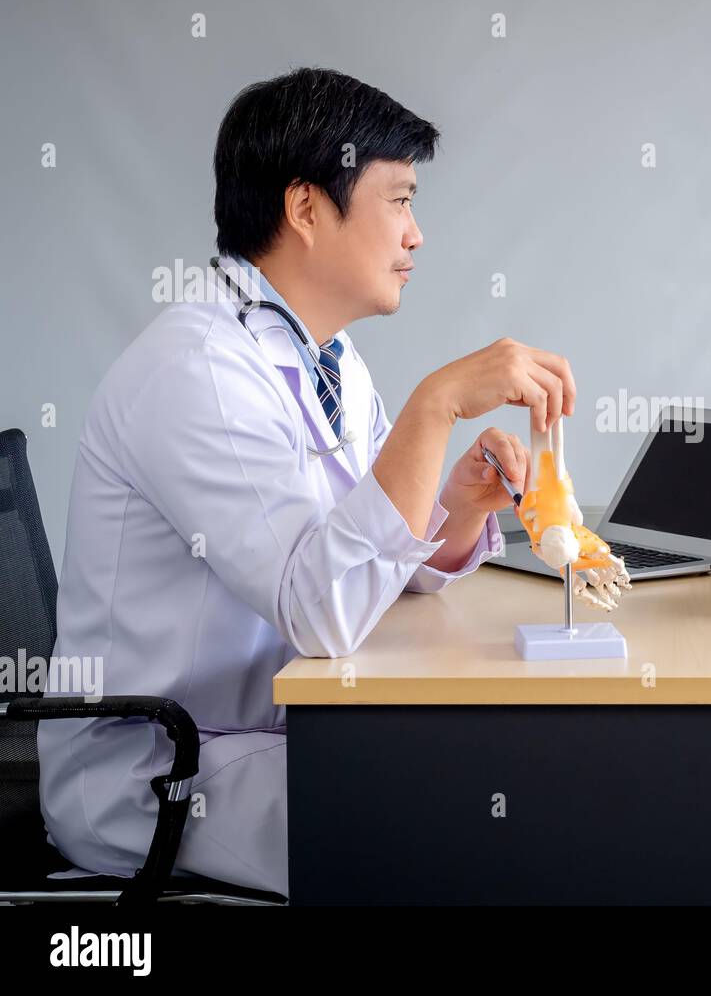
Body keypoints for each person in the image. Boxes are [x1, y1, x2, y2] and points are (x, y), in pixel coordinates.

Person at [38, 67, 576, 898]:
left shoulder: (322, 357)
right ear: (306, 208)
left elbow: (365, 563)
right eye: (398, 199)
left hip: (276, 721)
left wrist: (456, 507)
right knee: (470, 829)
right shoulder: (200, 371)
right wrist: (433, 407)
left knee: (503, 785)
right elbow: (322, 607)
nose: (417, 233)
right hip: (164, 766)